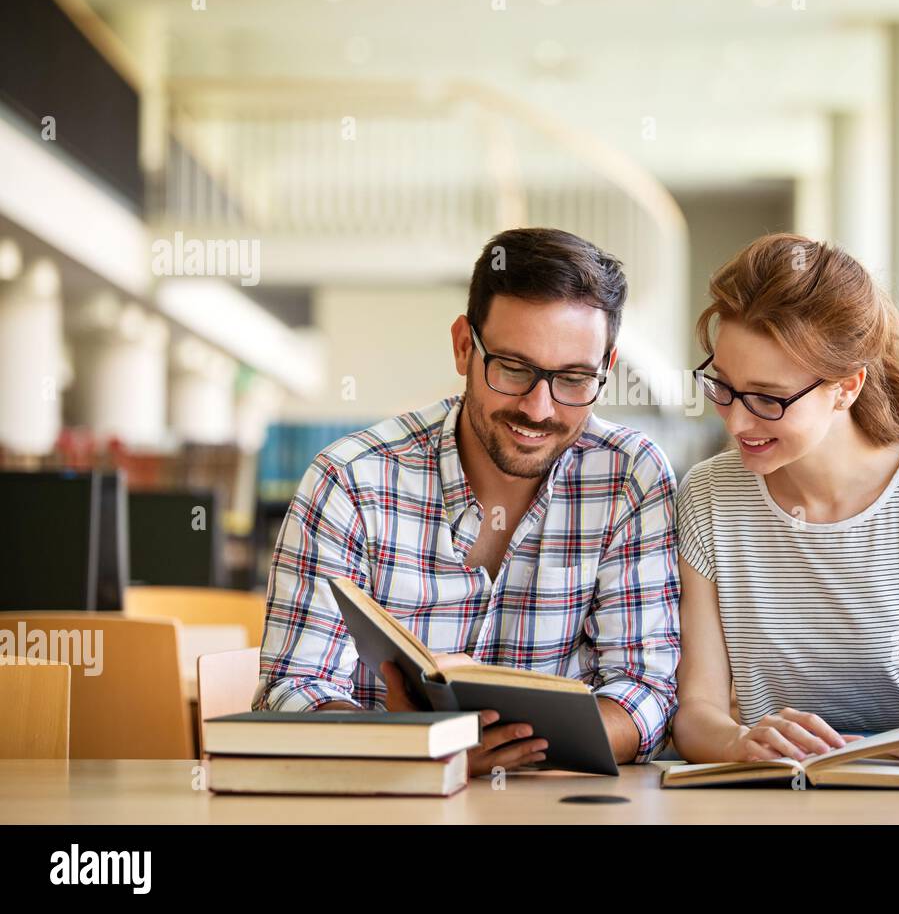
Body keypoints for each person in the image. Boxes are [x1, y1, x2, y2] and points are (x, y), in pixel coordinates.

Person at [254, 228, 680, 775]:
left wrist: (499, 744)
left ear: (606, 368)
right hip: (388, 802)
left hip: (555, 806)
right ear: (463, 346)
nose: (539, 408)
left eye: (574, 379)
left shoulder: (631, 477)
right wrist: (411, 745)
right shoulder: (352, 480)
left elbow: (647, 692)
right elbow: (289, 691)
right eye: (513, 368)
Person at [670, 233, 899, 781]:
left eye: (768, 398)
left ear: (846, 387)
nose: (738, 421)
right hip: (778, 803)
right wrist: (739, 741)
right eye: (723, 387)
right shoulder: (709, 496)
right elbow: (695, 714)